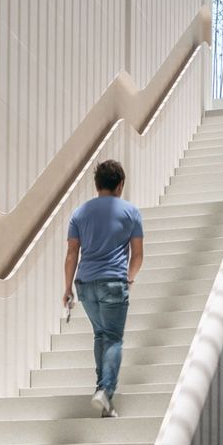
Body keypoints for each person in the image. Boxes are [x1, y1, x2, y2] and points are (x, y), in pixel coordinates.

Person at [63, 158, 144, 417]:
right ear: (120, 185)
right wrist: (129, 278)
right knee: (113, 338)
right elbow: (138, 254)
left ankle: (102, 391)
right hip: (113, 283)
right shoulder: (131, 212)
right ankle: (106, 391)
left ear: (96, 185)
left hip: (85, 285)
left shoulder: (79, 213)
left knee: (100, 335)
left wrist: (67, 288)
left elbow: (71, 253)